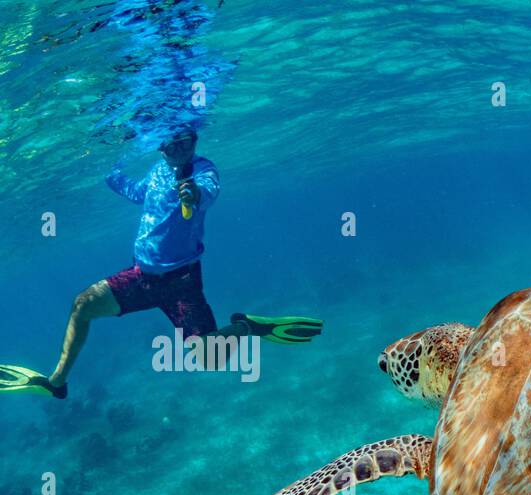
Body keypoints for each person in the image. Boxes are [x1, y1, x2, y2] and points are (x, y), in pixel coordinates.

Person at [1, 128, 321, 398]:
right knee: (82, 304)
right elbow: (138, 192)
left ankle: (246, 325)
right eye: (172, 144)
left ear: (195, 142)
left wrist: (192, 194)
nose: (180, 150)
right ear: (161, 146)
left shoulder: (203, 170)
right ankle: (56, 383)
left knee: (209, 361)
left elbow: (207, 191)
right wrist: (109, 166)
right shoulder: (156, 172)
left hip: (182, 283)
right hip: (141, 278)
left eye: (187, 142)